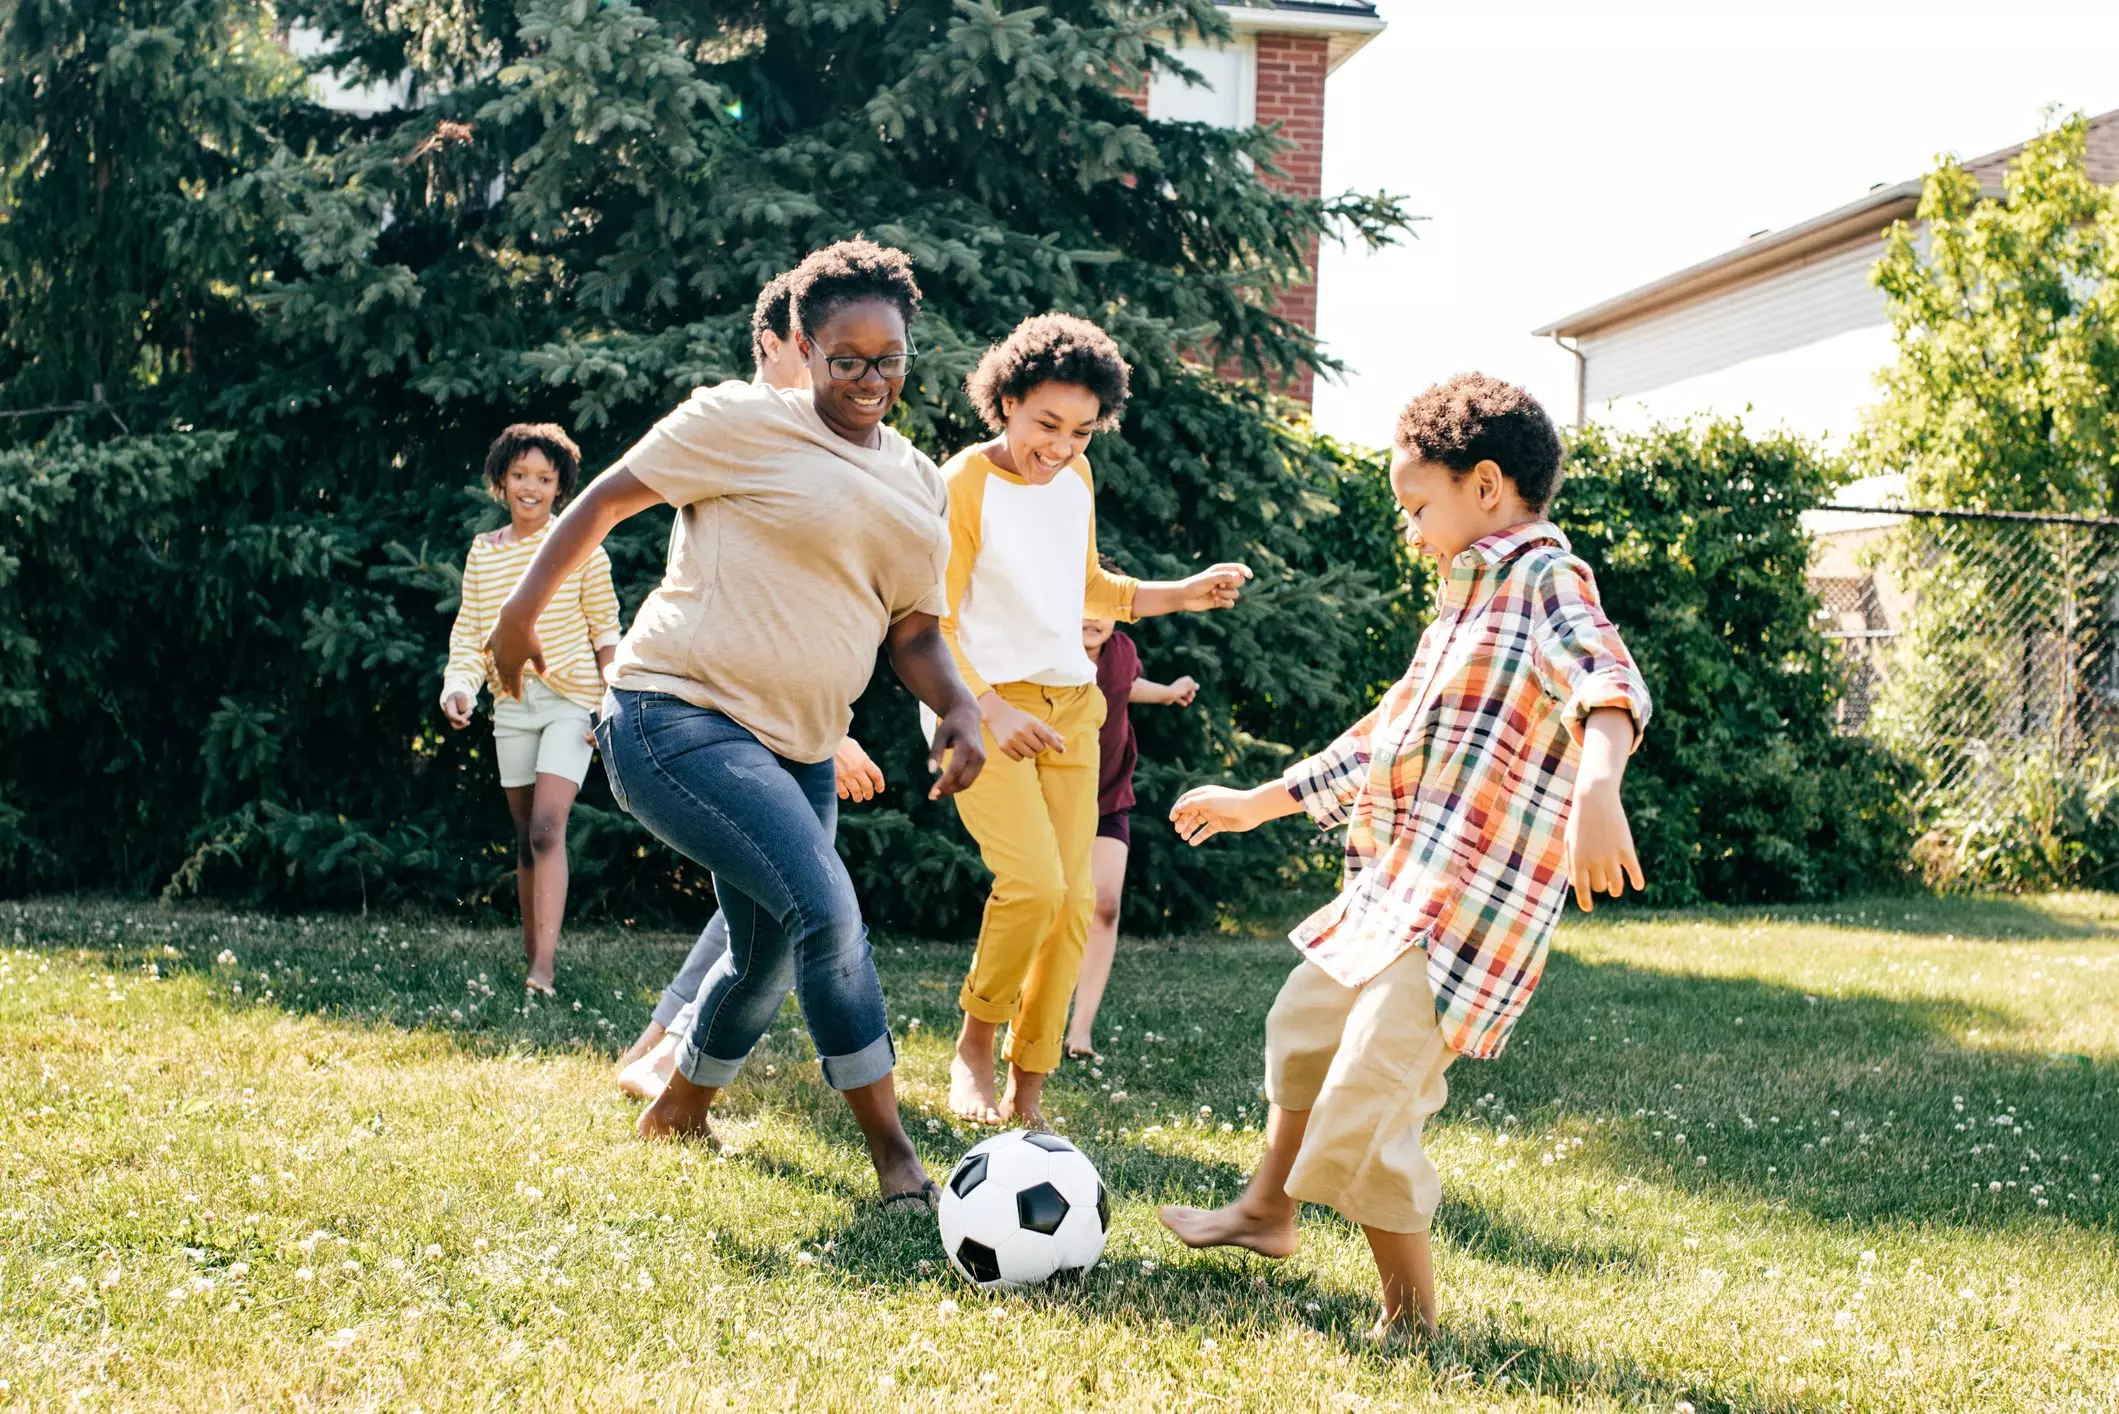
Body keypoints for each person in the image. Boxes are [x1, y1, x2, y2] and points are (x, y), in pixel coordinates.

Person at [489, 239, 985, 1210]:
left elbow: (915, 633)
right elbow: (602, 502)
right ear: (802, 345)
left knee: (761, 953)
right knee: (826, 910)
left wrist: (958, 706)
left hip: (797, 750)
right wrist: (517, 614)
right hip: (673, 718)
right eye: (845, 359)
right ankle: (894, 1157)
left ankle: (676, 1108)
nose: (868, 379)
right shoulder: (738, 421)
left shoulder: (920, 482)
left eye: (888, 359)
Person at [1156, 373, 1652, 1344]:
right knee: (1302, 1027)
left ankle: (1411, 1320)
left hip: (1463, 914)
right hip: (1396, 891)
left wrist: (1599, 788)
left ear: (1486, 486)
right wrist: (1263, 801)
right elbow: (1386, 734)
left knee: (1365, 1105)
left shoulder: (1542, 578)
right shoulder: (1459, 605)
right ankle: (1266, 1208)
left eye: (1417, 506)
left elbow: (1607, 677)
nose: (1411, 528)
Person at [935, 312, 1250, 1128]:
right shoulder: (963, 486)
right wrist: (987, 708)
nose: (1061, 446)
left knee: (1075, 904)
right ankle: (975, 1039)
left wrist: (1181, 592)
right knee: (1033, 884)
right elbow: (928, 620)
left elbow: (1087, 589)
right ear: (1003, 401)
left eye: (1080, 431)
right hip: (981, 711)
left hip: (1073, 710)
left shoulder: (1074, 482)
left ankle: (1028, 1085)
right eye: (1046, 424)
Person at [611, 269, 889, 1101]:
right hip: (696, 709)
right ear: (780, 347)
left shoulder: (844, 451)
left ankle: (668, 1062)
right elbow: (734, 600)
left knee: (768, 912)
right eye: (817, 358)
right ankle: (663, 1051)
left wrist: (823, 720)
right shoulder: (738, 424)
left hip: (785, 722)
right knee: (798, 891)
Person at [440, 423, 619, 998]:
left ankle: (544, 968)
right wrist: (458, 686)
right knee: (525, 837)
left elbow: (606, 633)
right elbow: (470, 634)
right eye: (520, 475)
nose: (531, 488)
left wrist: (611, 705)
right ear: (501, 480)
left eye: (544, 478)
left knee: (548, 827)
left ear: (561, 487)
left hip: (574, 701)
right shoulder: (483, 554)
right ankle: (532, 963)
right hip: (512, 705)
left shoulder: (580, 545)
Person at [1062, 607, 1199, 1060]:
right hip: (1056, 794)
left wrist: (1167, 693)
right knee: (1052, 904)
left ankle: (1081, 1030)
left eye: (1105, 611)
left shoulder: (1122, 651)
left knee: (1104, 906)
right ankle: (1031, 1015)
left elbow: (1124, 685)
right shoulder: (1051, 649)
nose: (1094, 619)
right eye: (1085, 608)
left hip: (1108, 795)